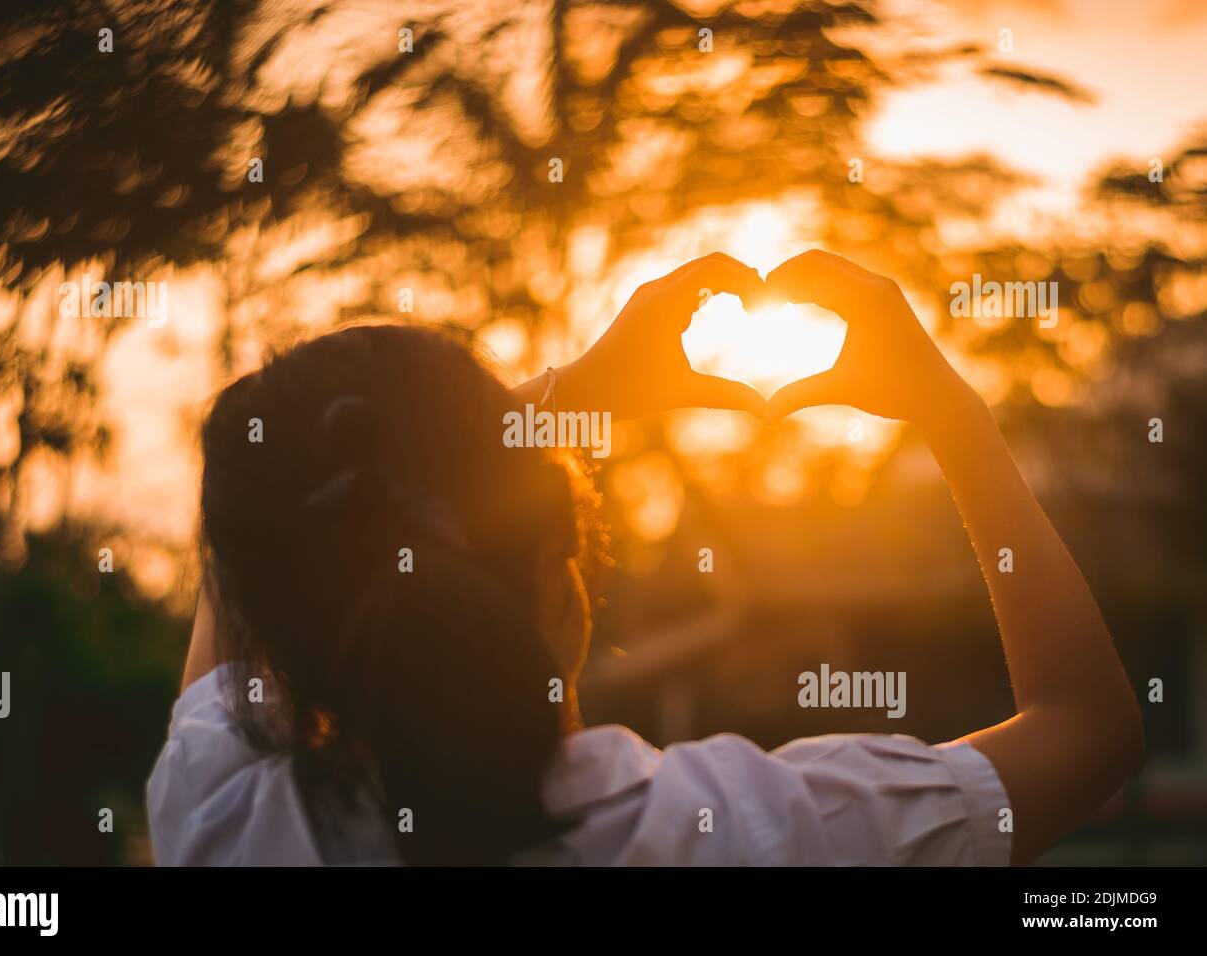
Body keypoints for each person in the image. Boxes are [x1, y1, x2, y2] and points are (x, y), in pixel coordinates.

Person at [147, 250, 1144, 865]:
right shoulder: (761, 832)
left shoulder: (222, 809)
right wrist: (944, 403)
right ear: (562, 576)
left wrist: (562, 396)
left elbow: (261, 552)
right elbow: (1087, 728)